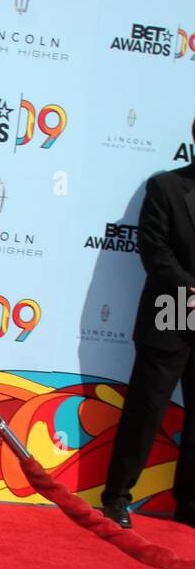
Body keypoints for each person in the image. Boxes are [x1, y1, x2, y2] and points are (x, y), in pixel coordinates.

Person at [101, 163, 195, 529]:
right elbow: (155, 250)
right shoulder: (167, 187)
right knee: (148, 406)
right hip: (174, 305)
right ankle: (117, 497)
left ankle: (188, 504)